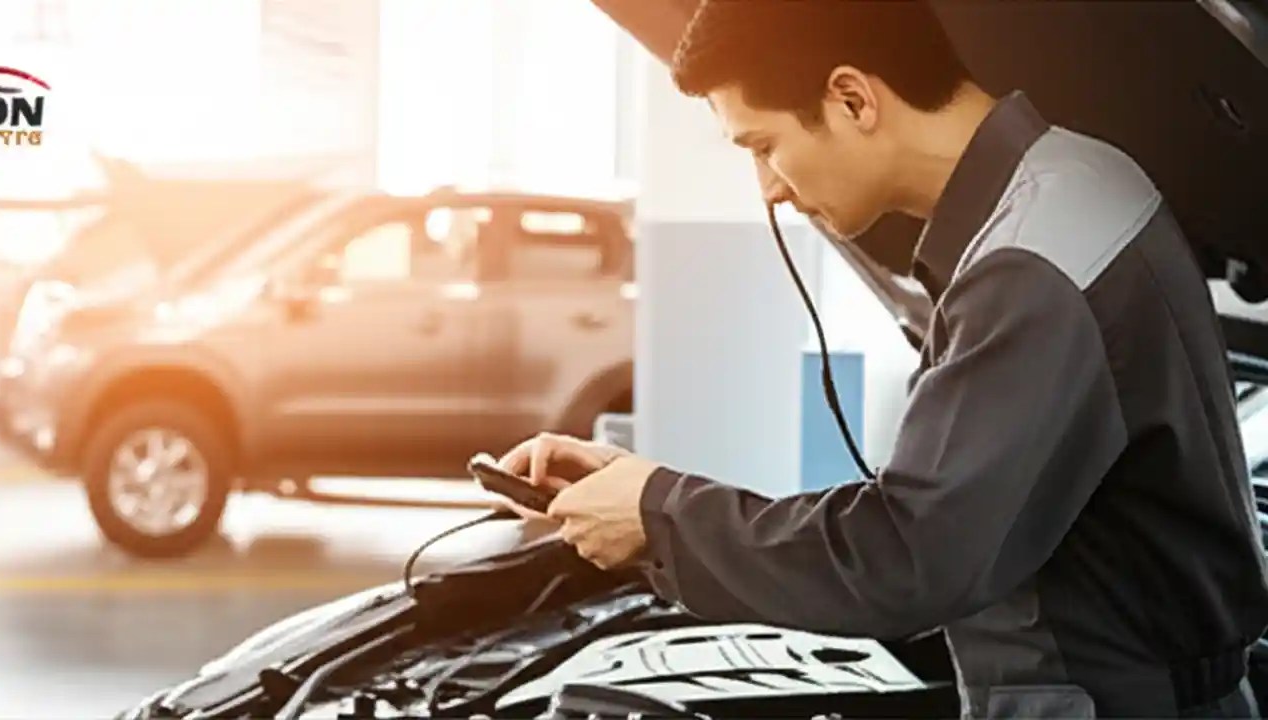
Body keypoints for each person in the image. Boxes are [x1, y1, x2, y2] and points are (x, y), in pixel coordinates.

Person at [497, 1, 1268, 716]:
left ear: (853, 99)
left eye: (764, 146)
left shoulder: (1028, 271)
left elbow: (908, 557)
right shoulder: (1078, 179)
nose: (768, 189)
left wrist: (659, 516)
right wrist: (651, 500)